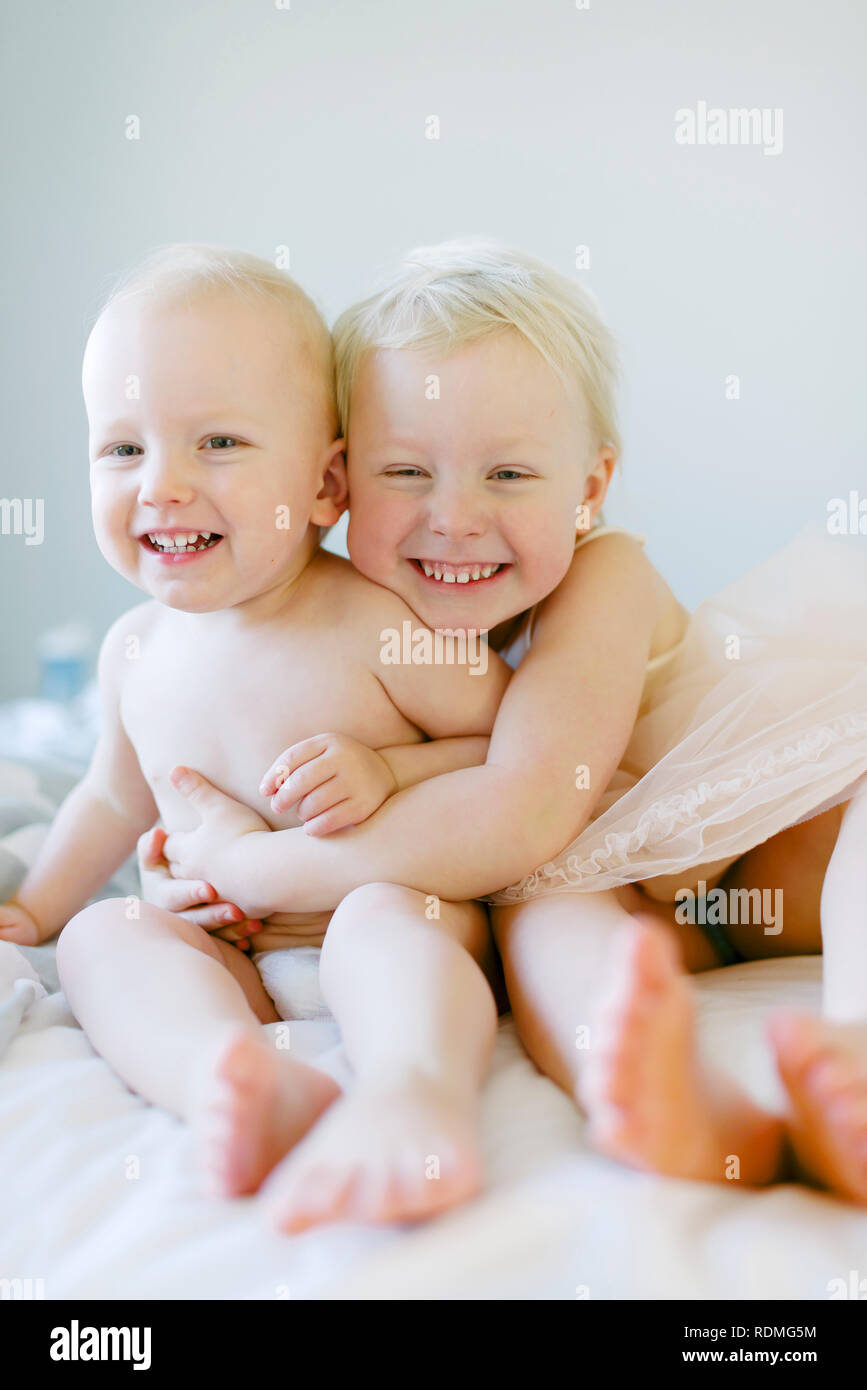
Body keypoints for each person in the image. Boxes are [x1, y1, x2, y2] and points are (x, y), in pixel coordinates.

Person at [156, 240, 867, 1205]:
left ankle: (855, 1058)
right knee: (543, 910)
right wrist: (195, 861)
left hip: (796, 833)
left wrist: (255, 869)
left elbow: (529, 809)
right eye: (405, 471)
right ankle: (677, 1107)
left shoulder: (601, 581)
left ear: (587, 492)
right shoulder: (364, 629)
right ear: (336, 486)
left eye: (509, 476)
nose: (453, 517)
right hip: (688, 909)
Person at [0, 243, 514, 1230]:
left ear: (326, 485)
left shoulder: (378, 621)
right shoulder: (134, 651)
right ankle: (226, 1078)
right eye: (122, 448)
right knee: (109, 937)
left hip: (380, 917)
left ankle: (415, 1092)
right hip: (231, 949)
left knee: (383, 926)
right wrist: (33, 911)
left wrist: (389, 766)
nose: (160, 484)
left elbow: (507, 753)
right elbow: (111, 797)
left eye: (219, 444)